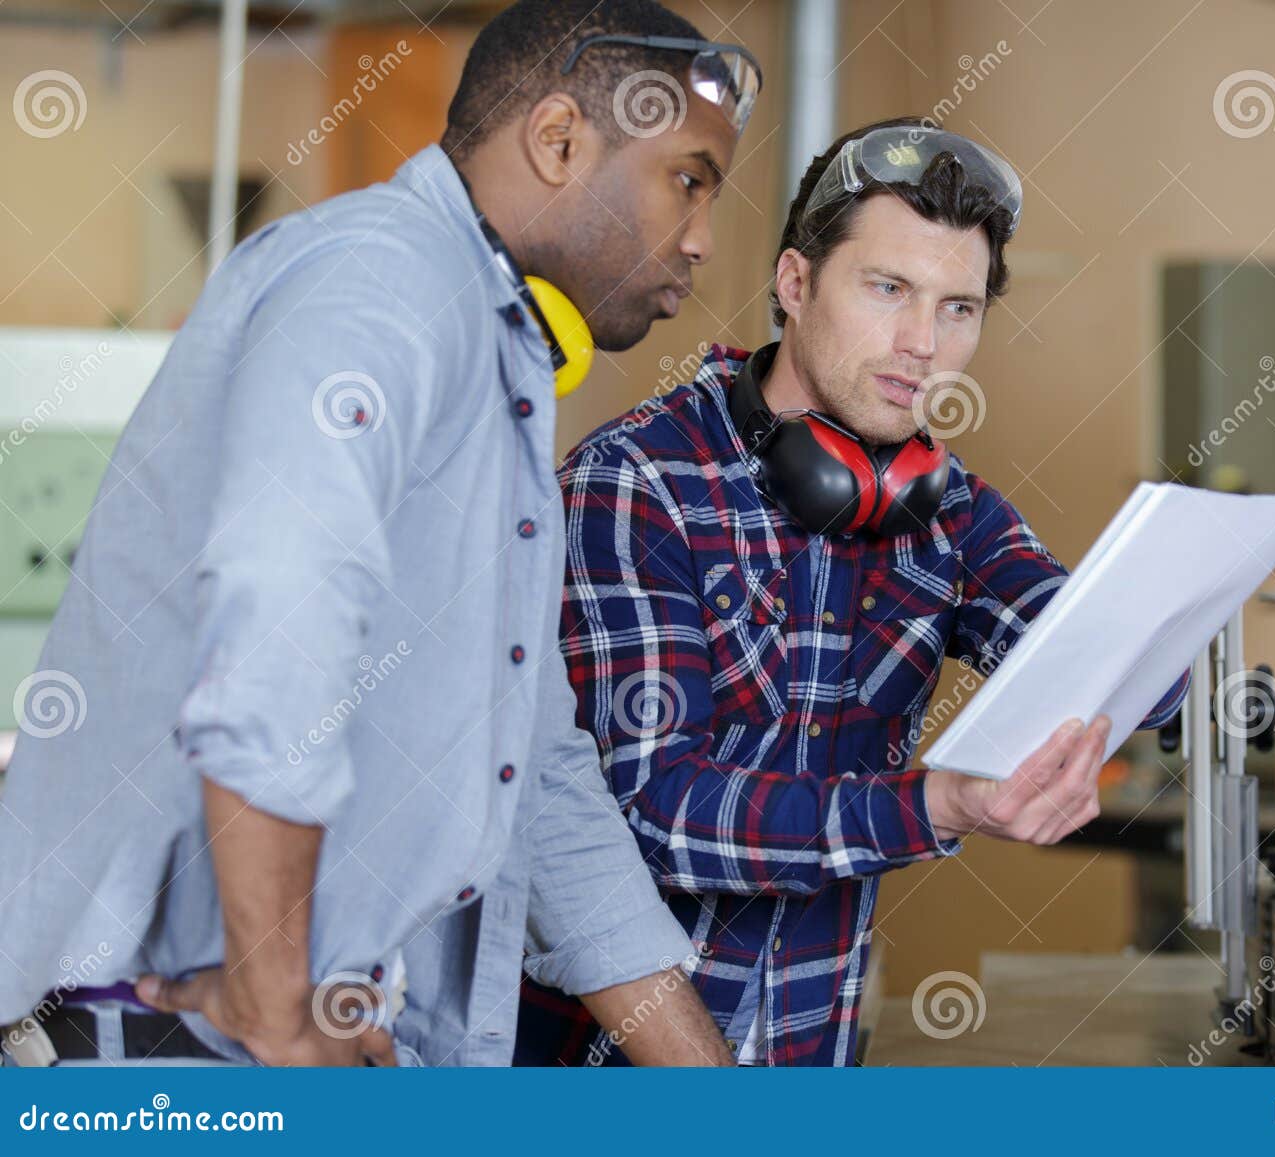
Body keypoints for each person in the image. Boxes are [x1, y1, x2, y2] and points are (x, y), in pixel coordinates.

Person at [0, 0, 760, 1068]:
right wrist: (274, 1000)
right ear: (558, 140)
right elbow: (279, 622)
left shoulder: (495, 366)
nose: (701, 238)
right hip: (160, 1045)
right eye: (689, 179)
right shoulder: (384, 280)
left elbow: (541, 779)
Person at [515, 117, 1189, 1066]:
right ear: (795, 283)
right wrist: (936, 803)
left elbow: (1127, 672)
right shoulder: (637, 482)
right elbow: (660, 814)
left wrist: (1160, 622)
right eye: (888, 289)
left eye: (958, 308)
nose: (923, 343)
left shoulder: (947, 508)